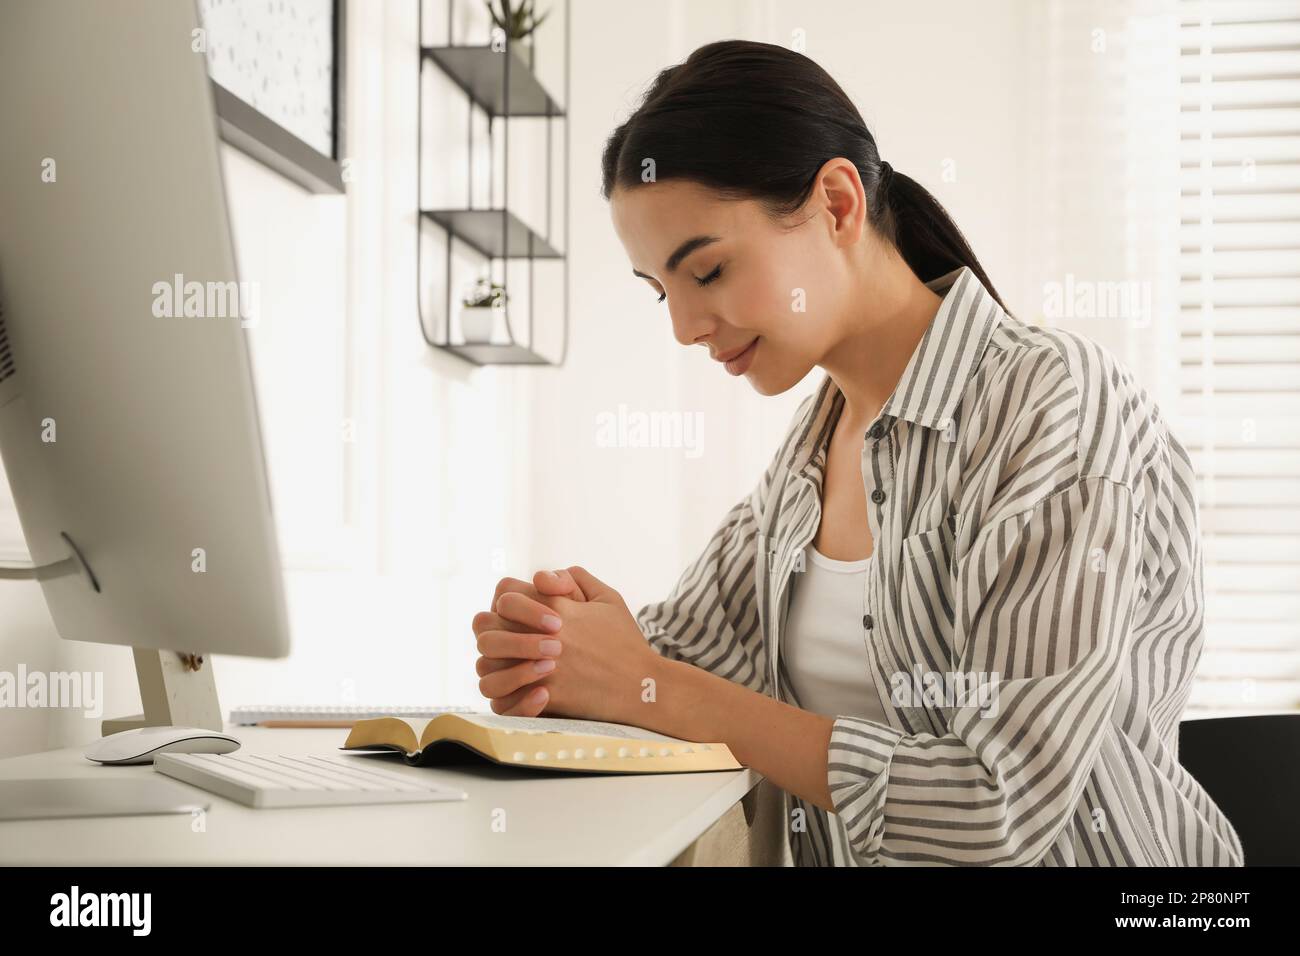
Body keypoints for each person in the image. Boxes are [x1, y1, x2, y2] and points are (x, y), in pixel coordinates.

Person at [470, 39, 1244, 866]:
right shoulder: (811, 452)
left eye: (710, 271)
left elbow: (998, 806)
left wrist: (649, 683)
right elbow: (678, 661)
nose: (685, 328)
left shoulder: (1053, 405)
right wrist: (565, 641)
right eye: (662, 291)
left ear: (837, 203)